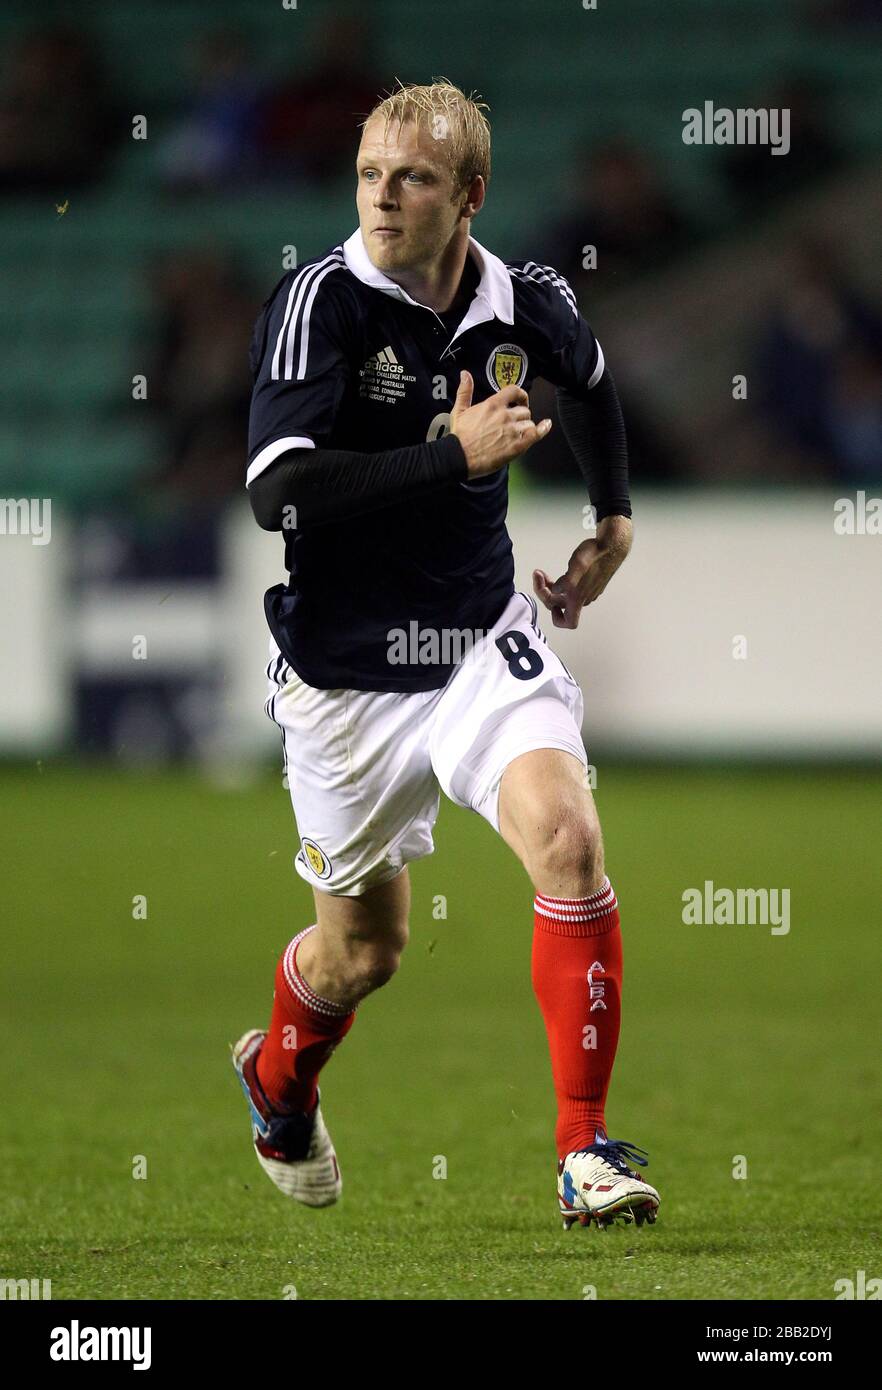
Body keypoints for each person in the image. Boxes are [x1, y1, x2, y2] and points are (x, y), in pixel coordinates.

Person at [233, 79, 659, 1232]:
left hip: (479, 639)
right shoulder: (320, 301)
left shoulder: (525, 300)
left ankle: (584, 1150)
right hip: (342, 678)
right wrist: (449, 458)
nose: (381, 195)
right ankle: (277, 1081)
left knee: (568, 840)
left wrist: (611, 518)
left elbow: (594, 382)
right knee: (363, 953)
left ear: (468, 193)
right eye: (369, 173)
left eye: (412, 177)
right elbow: (276, 490)